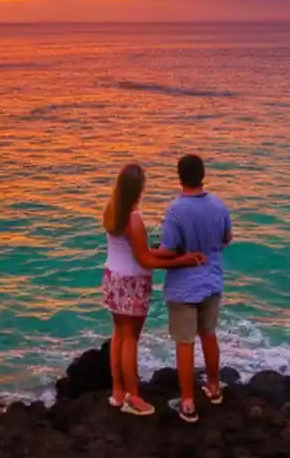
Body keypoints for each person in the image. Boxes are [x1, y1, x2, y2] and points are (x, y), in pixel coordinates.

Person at [101, 163, 206, 416]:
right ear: (139, 188)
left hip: (113, 277)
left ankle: (117, 392)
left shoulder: (111, 210)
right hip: (132, 283)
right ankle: (134, 396)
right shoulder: (134, 219)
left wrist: (164, 253)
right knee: (131, 339)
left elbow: (138, 252)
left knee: (118, 333)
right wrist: (182, 260)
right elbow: (145, 260)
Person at [160, 154, 232, 423]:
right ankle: (214, 387)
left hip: (183, 286)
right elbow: (227, 238)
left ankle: (188, 402)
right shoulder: (219, 205)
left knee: (185, 342)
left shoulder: (176, 210)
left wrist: (149, 253)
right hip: (212, 280)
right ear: (203, 175)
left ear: (180, 177)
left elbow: (168, 250)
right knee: (209, 334)